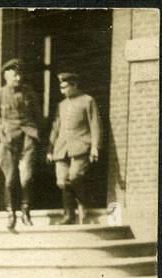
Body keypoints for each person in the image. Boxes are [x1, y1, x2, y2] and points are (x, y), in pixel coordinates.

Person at [0, 58, 42, 229]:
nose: (18, 78)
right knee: (10, 179)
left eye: (20, 75)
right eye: (15, 75)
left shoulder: (29, 93)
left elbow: (39, 118)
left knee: (26, 177)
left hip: (28, 138)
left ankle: (25, 212)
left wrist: (36, 134)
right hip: (8, 140)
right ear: (6, 75)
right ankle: (11, 214)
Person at [49, 71, 103, 226]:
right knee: (61, 181)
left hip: (81, 145)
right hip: (61, 147)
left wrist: (95, 147)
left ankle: (80, 204)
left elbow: (95, 125)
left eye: (65, 87)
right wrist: (49, 148)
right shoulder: (61, 105)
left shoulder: (87, 101)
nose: (62, 91)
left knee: (74, 177)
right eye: (61, 88)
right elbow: (55, 127)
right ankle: (69, 214)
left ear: (75, 85)